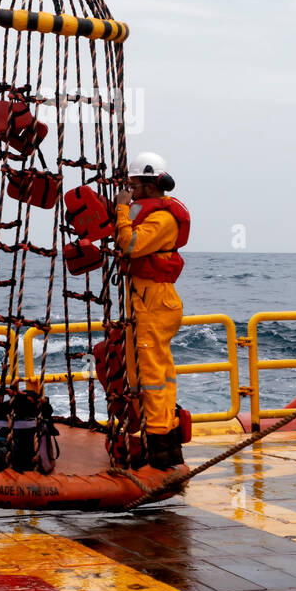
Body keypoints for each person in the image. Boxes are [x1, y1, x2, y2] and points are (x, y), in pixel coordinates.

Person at [114, 151, 190, 469]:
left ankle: (158, 446)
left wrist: (120, 209)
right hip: (145, 298)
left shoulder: (162, 218)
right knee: (148, 373)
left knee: (151, 375)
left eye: (134, 185)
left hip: (154, 301)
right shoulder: (149, 212)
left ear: (150, 184)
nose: (131, 191)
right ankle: (159, 440)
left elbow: (130, 245)